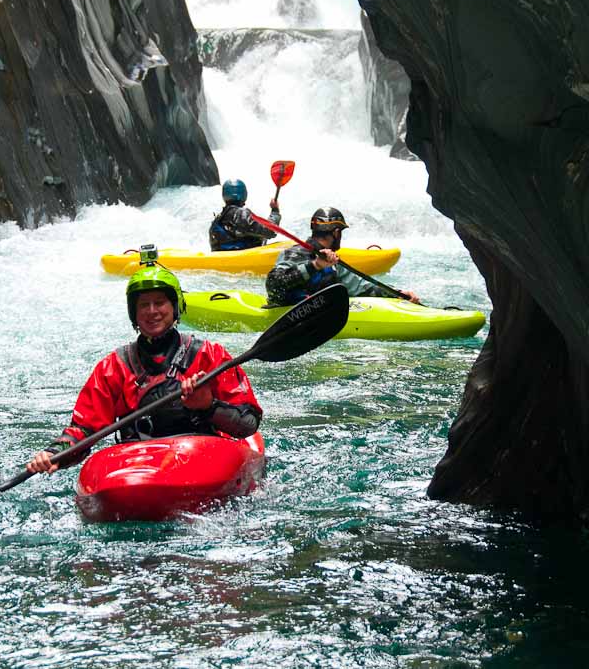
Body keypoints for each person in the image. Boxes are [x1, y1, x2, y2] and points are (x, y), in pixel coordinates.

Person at [27, 263, 262, 474]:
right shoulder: (114, 367)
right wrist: (53, 453)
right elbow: (84, 429)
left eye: (159, 302)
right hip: (139, 464)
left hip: (202, 456)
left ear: (174, 306)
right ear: (134, 313)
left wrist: (208, 406)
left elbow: (248, 424)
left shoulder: (209, 355)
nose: (151, 311)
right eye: (143, 305)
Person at [265, 207, 421, 306]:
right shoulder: (295, 253)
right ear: (336, 233)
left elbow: (363, 288)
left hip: (317, 315)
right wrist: (315, 266)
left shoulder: (333, 262)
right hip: (287, 314)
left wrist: (398, 294)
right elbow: (273, 285)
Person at [208, 179, 281, 251]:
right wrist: (275, 211)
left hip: (222, 259)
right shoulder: (242, 214)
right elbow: (270, 230)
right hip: (243, 259)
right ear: (244, 194)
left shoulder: (218, 219)